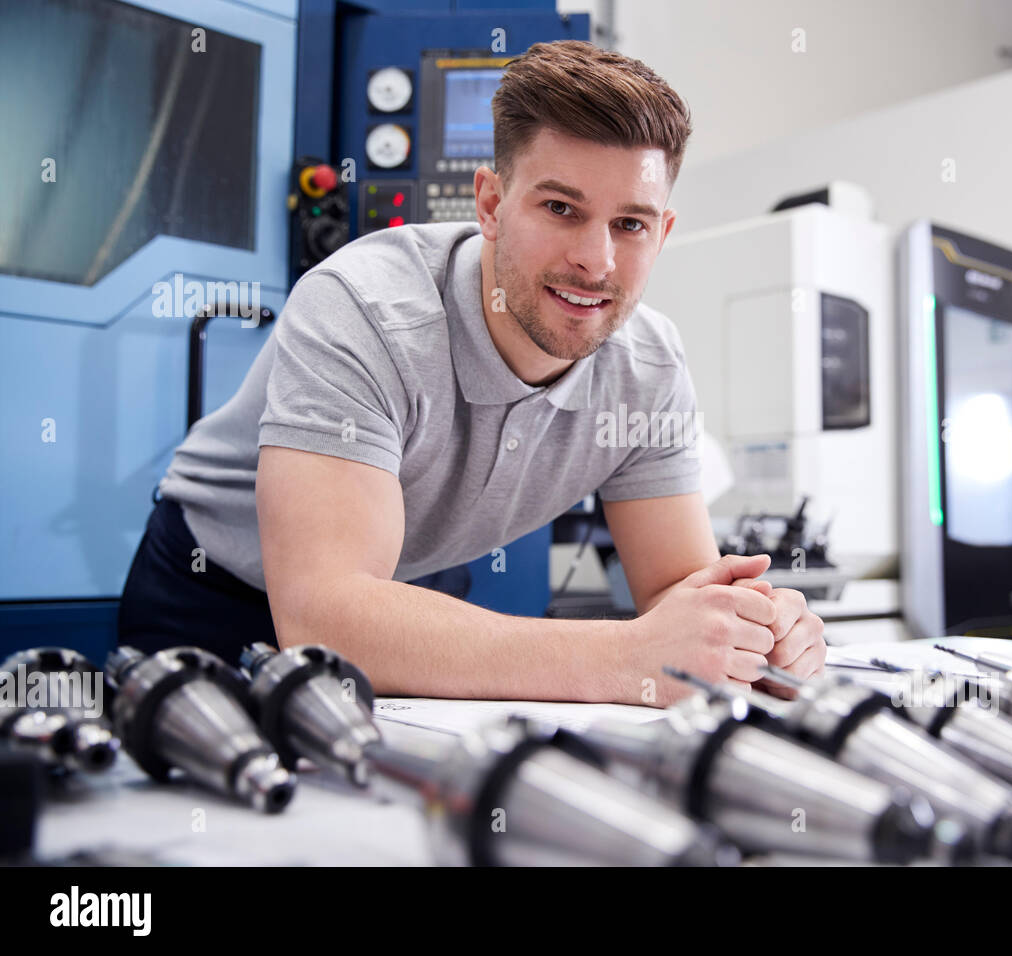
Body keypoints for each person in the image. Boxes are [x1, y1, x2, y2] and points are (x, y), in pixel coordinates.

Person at [117, 39, 826, 707]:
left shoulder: (649, 367)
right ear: (490, 203)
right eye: (560, 208)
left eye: (630, 224)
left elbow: (678, 594)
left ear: (662, 233)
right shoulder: (363, 310)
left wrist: (752, 629)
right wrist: (623, 657)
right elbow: (326, 617)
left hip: (401, 593)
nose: (597, 260)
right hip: (219, 591)